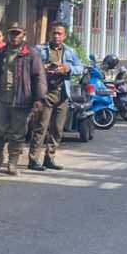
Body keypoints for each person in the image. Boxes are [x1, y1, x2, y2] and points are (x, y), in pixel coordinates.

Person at [0, 23, 46, 176]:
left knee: (17, 134)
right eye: (12, 33)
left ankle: (12, 162)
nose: (14, 36)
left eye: (17, 33)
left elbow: (39, 76)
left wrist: (39, 98)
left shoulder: (31, 53)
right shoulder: (1, 53)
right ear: (8, 35)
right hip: (1, 99)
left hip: (21, 99)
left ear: (23, 35)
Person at [28, 22, 83, 171]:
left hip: (63, 94)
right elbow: (30, 65)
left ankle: (49, 158)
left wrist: (67, 68)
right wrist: (43, 68)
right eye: (54, 33)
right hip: (45, 93)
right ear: (50, 34)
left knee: (57, 129)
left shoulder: (70, 52)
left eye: (60, 33)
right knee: (41, 127)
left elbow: (80, 68)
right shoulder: (40, 50)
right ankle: (33, 159)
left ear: (64, 36)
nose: (57, 36)